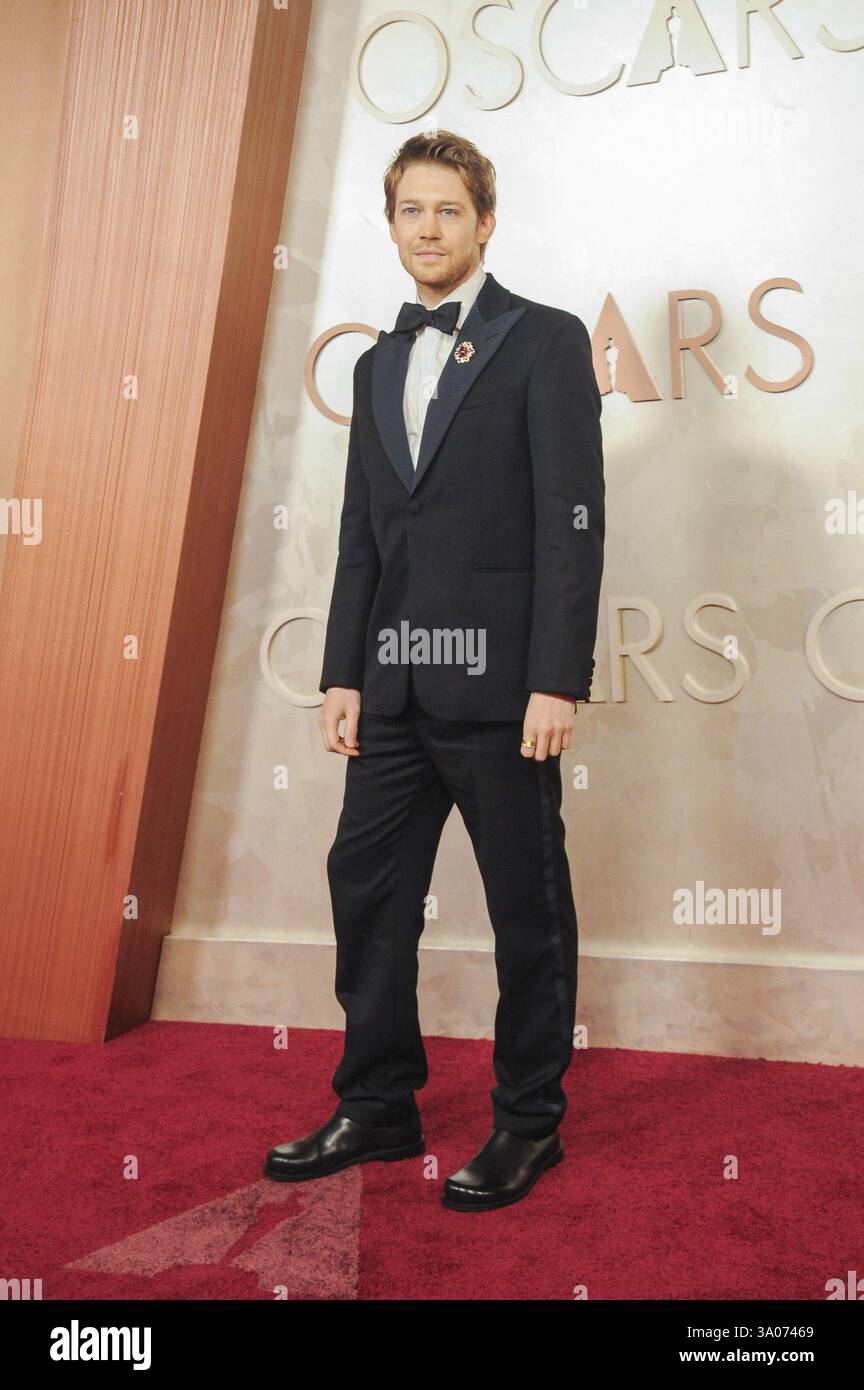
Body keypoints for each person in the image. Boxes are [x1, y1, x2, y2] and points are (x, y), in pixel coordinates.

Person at [263, 131, 605, 1212]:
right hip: (395, 684)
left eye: (448, 210)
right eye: (411, 210)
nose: (428, 228)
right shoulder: (375, 364)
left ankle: (529, 1122)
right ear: (392, 225)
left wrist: (557, 677)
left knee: (525, 911)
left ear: (485, 222)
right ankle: (377, 1104)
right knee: (365, 889)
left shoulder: (545, 340)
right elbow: (365, 533)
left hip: (505, 692)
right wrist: (343, 673)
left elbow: (573, 522)